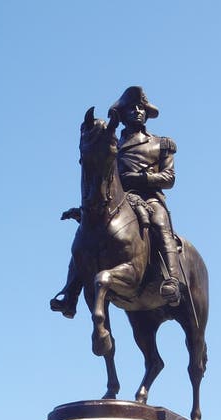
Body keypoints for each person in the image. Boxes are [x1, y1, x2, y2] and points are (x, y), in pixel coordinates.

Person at [51, 86, 181, 318]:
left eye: (142, 108)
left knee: (160, 221)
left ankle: (170, 279)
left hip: (149, 197)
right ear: (122, 115)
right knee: (84, 234)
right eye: (132, 108)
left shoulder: (161, 143)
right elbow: (102, 175)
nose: (138, 111)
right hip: (117, 199)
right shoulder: (113, 144)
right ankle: (70, 293)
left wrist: (140, 178)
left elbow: (169, 178)